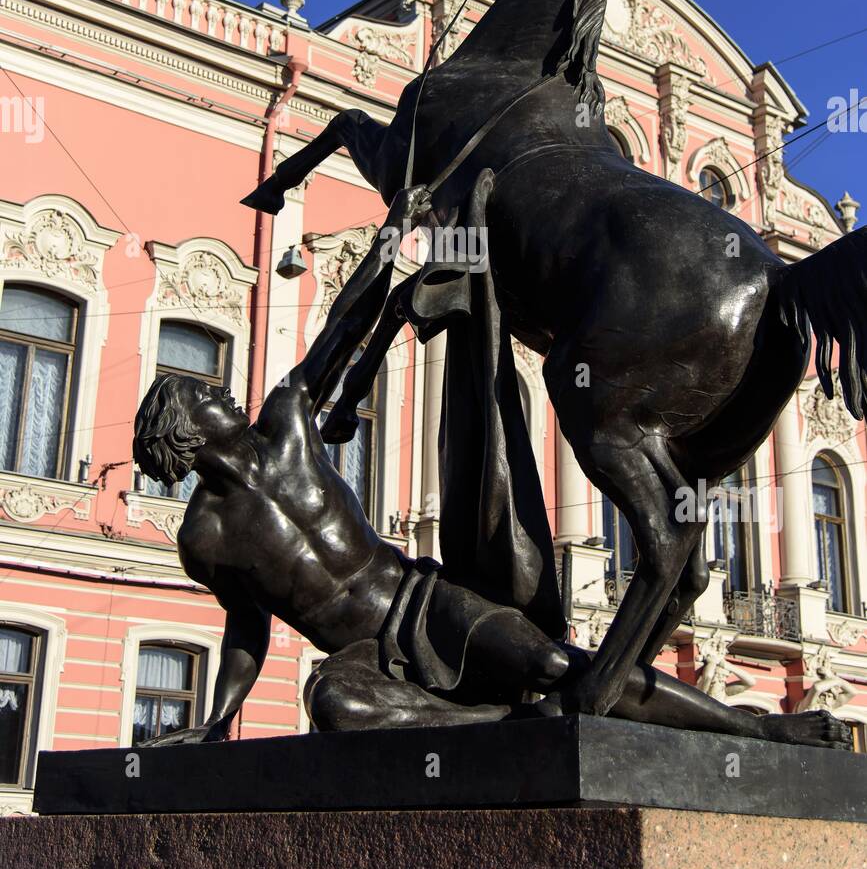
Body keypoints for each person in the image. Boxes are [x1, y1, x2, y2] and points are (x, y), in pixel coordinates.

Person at [132, 184, 851, 750]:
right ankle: (506, 731)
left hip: (415, 604)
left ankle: (758, 727)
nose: (221, 389)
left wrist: (389, 239)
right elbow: (245, 628)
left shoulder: (286, 425)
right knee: (332, 704)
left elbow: (341, 328)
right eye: (202, 391)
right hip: (357, 651)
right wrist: (219, 717)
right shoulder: (207, 538)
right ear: (181, 430)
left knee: (550, 665)